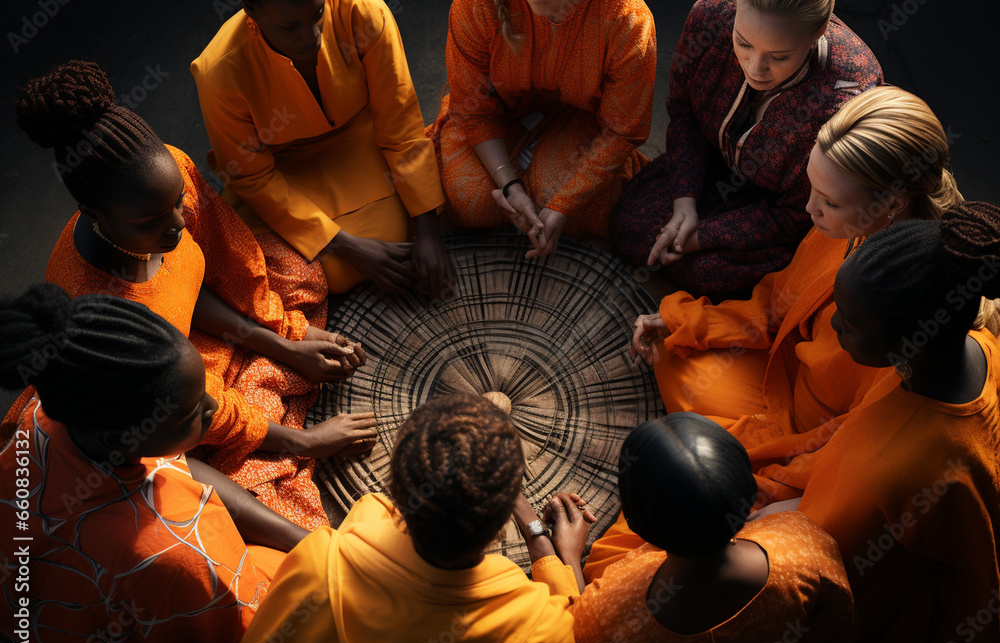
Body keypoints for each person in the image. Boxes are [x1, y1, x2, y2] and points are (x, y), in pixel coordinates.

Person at [11, 60, 377, 531]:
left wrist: (283, 338)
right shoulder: (101, 311)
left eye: (178, 202)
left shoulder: (169, 177)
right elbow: (183, 407)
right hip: (158, 403)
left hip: (186, 356)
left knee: (300, 274)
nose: (179, 225)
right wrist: (299, 442)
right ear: (94, 213)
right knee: (248, 491)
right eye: (151, 222)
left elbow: (215, 268)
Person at [625, 86, 983, 520]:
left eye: (830, 202)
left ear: (891, 205)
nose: (810, 209)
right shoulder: (846, 228)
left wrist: (788, 488)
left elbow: (856, 442)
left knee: (712, 485)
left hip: (819, 436)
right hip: (783, 374)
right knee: (673, 349)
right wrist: (687, 321)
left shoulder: (910, 313)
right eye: (812, 188)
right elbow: (778, 303)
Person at [0, 284, 311, 643]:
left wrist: (303, 540)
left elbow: (175, 467)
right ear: (122, 435)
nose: (214, 406)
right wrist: (315, 551)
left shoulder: (44, 417)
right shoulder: (177, 556)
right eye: (190, 412)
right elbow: (237, 642)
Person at [233, 394, 592, 643]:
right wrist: (551, 546)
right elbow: (577, 629)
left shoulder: (321, 557)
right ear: (500, 524)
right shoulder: (538, 627)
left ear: (398, 485)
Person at [793, 204, 1000, 643]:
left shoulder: (893, 467)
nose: (833, 323)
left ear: (909, 344)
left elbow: (819, 552)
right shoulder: (984, 346)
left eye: (849, 322)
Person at [612, 0, 882, 298]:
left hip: (775, 208)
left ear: (818, 31)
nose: (755, 68)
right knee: (631, 225)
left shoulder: (847, 95)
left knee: (712, 272)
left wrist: (701, 237)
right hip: (711, 167)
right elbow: (684, 112)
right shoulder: (710, 17)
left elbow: (798, 212)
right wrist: (684, 204)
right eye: (743, 42)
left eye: (779, 57)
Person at [192, 0, 453, 297]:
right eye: (289, 27)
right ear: (251, 10)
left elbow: (400, 123)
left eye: (318, 14)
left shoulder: (365, 14)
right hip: (283, 174)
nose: (311, 35)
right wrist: (346, 245)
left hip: (363, 147)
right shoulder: (219, 70)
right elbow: (252, 176)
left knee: (407, 236)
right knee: (295, 277)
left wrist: (429, 227)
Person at [573, 414, 853, 643]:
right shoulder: (802, 545)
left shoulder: (607, 613)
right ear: (751, 493)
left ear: (634, 525)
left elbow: (571, 641)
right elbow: (830, 635)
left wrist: (566, 556)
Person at [427, 0, 656, 257]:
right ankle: (528, 163)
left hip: (583, 116)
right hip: (501, 111)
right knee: (470, 200)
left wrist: (563, 205)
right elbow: (475, 111)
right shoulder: (476, 5)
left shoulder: (628, 18)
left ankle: (539, 164)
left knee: (550, 196)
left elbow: (620, 131)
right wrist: (509, 185)